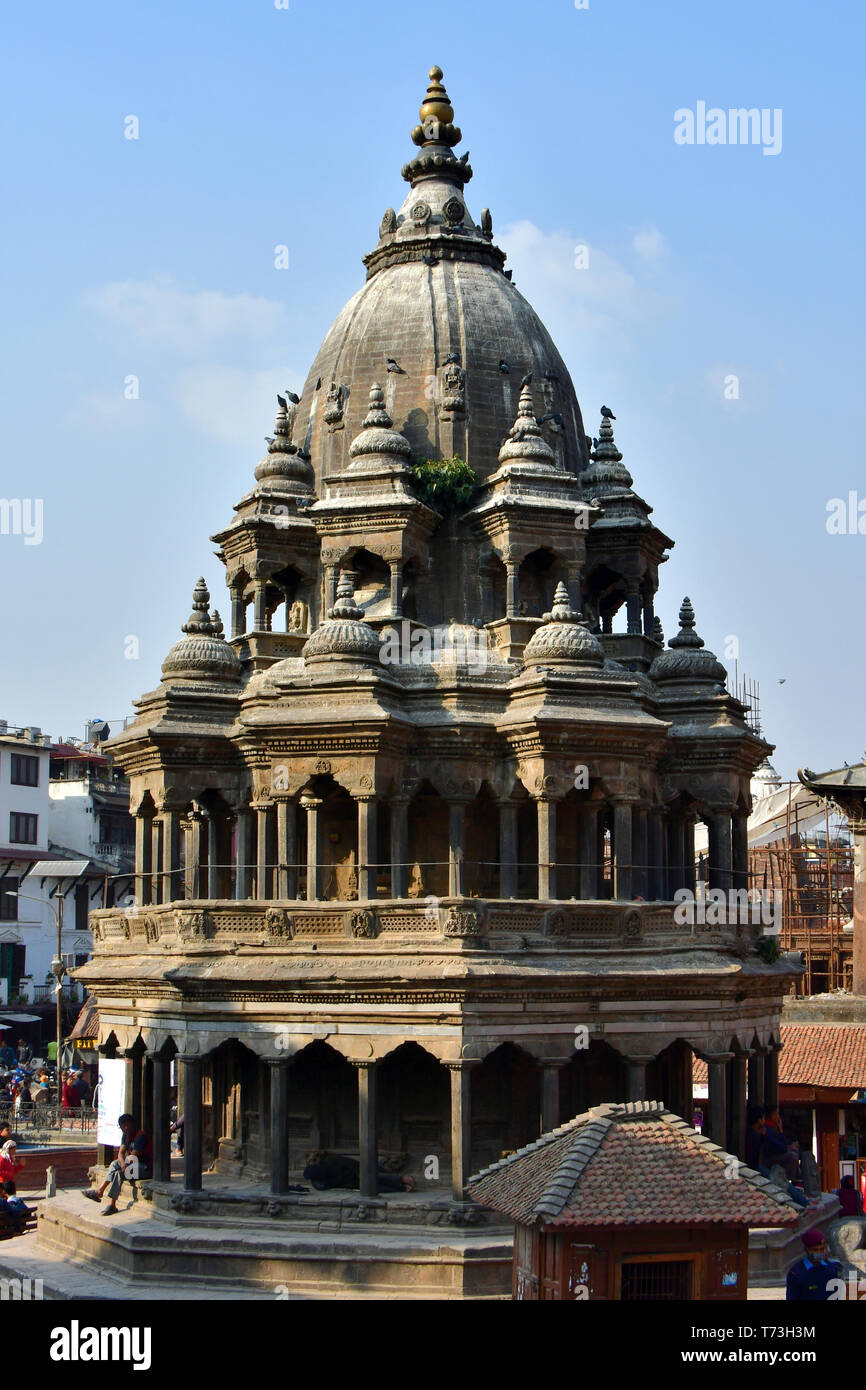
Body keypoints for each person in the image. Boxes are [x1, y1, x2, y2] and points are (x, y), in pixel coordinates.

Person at [82, 1114, 152, 1216]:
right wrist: (123, 1164)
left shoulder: (140, 1137)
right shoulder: (125, 1136)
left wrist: (124, 1165)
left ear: (133, 1124)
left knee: (118, 1170)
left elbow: (133, 1157)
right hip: (131, 1166)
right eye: (123, 1126)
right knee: (116, 1167)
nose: (126, 1128)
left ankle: (106, 1198)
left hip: (145, 1168)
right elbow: (121, 1153)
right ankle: (105, 1197)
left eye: (128, 1125)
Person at [302, 1152, 416, 1194]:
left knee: (378, 1177)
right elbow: (324, 1187)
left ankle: (403, 1179)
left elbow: (352, 1164)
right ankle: (402, 1187)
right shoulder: (325, 1180)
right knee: (378, 1189)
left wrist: (362, 1175)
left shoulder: (331, 1161)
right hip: (355, 1184)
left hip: (360, 1172)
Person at [786, 1228, 842, 1300]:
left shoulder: (833, 1268)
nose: (819, 1252)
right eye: (815, 1250)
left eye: (822, 1249)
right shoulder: (796, 1273)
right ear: (806, 1249)